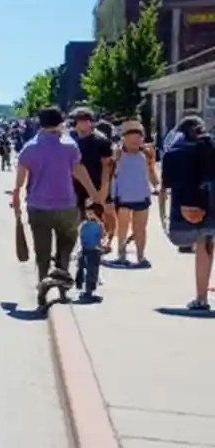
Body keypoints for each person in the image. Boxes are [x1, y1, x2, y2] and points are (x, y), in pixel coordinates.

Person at [13, 107, 100, 286]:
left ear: (40, 124)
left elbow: (20, 181)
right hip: (67, 205)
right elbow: (79, 172)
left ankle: (43, 286)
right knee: (65, 249)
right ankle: (61, 284)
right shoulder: (70, 146)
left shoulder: (30, 148)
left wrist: (16, 195)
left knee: (42, 251)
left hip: (38, 206)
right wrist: (95, 196)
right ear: (61, 123)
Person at [161, 116, 215, 311]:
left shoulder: (176, 151)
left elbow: (166, 184)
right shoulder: (210, 146)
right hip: (212, 201)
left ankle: (201, 298)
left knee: (203, 246)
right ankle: (202, 297)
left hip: (190, 205)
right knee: (208, 246)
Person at [108, 119, 160, 267]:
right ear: (124, 138)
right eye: (131, 139)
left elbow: (151, 173)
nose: (135, 143)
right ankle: (121, 255)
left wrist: (158, 187)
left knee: (140, 228)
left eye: (138, 139)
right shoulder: (117, 153)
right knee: (123, 227)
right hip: (123, 195)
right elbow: (111, 174)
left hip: (142, 195)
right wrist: (109, 196)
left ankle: (141, 256)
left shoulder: (147, 154)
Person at [76, 204, 105, 303]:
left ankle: (90, 291)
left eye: (92, 213)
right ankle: (85, 289)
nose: (89, 215)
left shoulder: (99, 225)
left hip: (95, 250)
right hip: (85, 249)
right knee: (84, 269)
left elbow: (102, 236)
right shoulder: (84, 224)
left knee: (92, 271)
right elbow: (79, 233)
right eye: (88, 213)